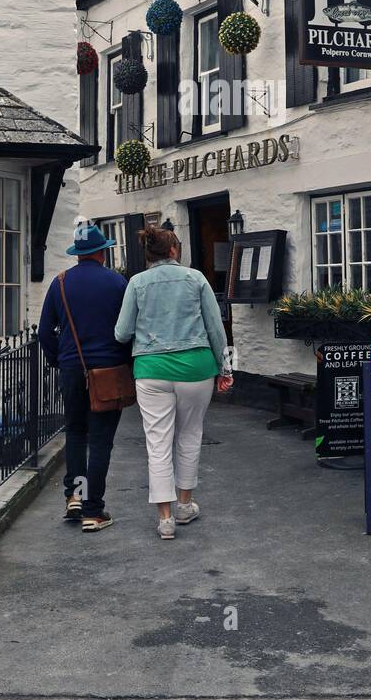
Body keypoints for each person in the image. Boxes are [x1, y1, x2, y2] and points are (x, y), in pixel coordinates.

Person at [114, 225, 232, 540]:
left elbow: (122, 333)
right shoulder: (196, 279)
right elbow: (215, 328)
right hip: (196, 367)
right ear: (173, 251)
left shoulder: (136, 283)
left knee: (157, 442)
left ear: (148, 253)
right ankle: (184, 505)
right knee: (190, 435)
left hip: (151, 369)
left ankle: (164, 519)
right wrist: (226, 367)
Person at [38, 222, 130, 531]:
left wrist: (58, 360)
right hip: (107, 370)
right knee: (101, 440)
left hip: (71, 369)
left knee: (76, 433)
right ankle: (94, 511)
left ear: (78, 254)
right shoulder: (117, 283)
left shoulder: (60, 283)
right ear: (102, 252)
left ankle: (75, 496)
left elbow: (43, 333)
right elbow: (129, 330)